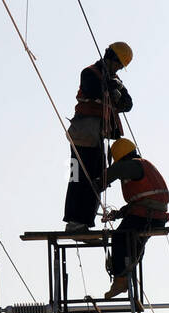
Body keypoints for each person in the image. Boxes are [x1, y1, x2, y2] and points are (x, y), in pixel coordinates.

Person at [63, 41, 134, 232]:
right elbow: (94, 90)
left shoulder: (114, 79)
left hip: (95, 136)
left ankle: (83, 221)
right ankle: (74, 220)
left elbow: (128, 104)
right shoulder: (90, 73)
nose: (119, 68)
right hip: (83, 134)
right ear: (111, 58)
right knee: (79, 176)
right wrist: (110, 88)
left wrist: (115, 88)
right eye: (118, 64)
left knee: (97, 177)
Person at [99, 138, 169, 299]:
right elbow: (142, 199)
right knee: (133, 244)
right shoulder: (141, 167)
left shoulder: (134, 165)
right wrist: (119, 214)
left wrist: (97, 183)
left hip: (146, 215)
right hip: (150, 215)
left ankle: (120, 279)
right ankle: (124, 277)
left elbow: (116, 170)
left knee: (120, 237)